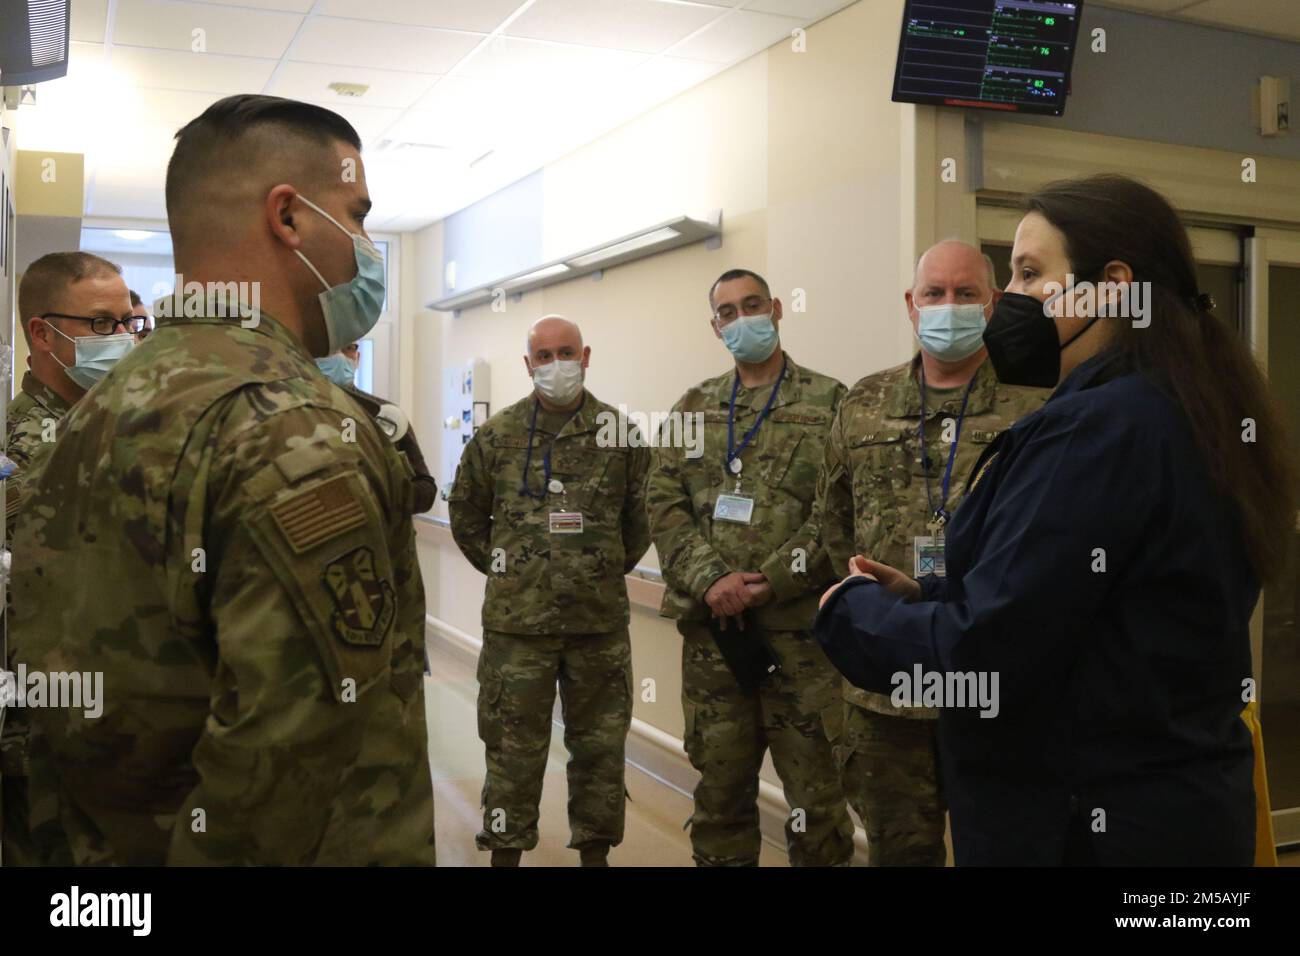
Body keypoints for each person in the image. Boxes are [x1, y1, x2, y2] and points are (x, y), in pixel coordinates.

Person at [813, 174, 1296, 866]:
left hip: (1092, 824)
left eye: (1030, 273)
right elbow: (1076, 608)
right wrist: (929, 597)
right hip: (1175, 811)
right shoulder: (1185, 406)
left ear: (1110, 286)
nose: (1010, 297)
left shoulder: (1100, 429)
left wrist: (852, 611)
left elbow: (990, 652)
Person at [9, 94, 435, 865]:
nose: (366, 245)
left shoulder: (103, 405)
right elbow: (281, 768)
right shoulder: (295, 427)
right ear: (289, 217)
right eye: (357, 214)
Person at [814, 240, 1047, 866]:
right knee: (899, 854)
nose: (949, 306)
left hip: (994, 683)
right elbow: (833, 517)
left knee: (1004, 851)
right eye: (934, 294)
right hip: (886, 688)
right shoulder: (862, 403)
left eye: (966, 293)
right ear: (911, 306)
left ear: (993, 304)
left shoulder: (1038, 405)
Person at [646, 268, 854, 867]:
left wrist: (773, 579)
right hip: (717, 643)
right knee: (720, 796)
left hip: (804, 643)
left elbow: (839, 509)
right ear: (715, 327)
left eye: (752, 305)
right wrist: (712, 578)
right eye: (728, 312)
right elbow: (663, 502)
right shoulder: (692, 407)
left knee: (817, 803)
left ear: (778, 310)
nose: (742, 319)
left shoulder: (832, 401)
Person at [448, 314, 650, 867]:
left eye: (567, 352)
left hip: (598, 625)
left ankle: (595, 855)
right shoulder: (497, 436)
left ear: (586, 357)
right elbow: (465, 512)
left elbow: (641, 519)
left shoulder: (622, 435)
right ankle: (505, 855)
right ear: (528, 364)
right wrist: (510, 570)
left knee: (600, 750)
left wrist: (598, 568)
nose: (556, 364)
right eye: (544, 355)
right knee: (512, 750)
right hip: (519, 628)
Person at [1, 251, 137, 865]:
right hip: (45, 742)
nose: (124, 340)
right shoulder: (26, 451)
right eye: (102, 326)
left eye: (129, 323)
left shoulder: (101, 429)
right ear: (42, 333)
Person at [317, 343, 437, 514]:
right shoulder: (295, 413)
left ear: (358, 358)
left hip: (378, 534)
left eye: (348, 348)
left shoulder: (385, 415)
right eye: (331, 349)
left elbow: (426, 491)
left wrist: (375, 493)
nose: (339, 357)